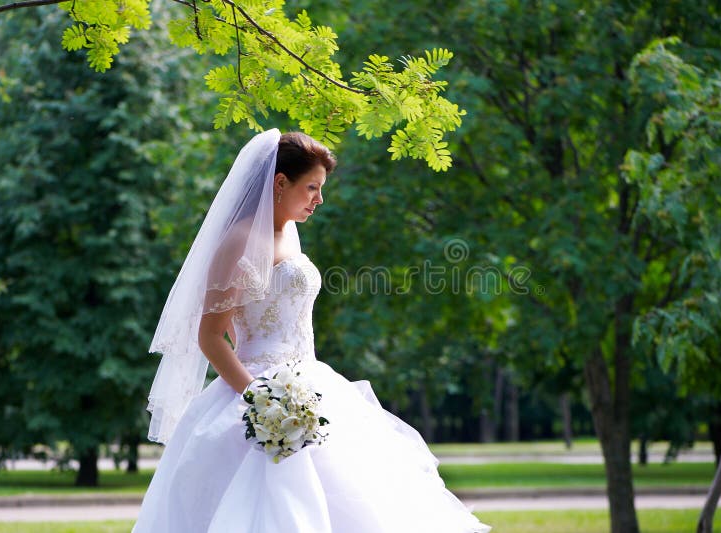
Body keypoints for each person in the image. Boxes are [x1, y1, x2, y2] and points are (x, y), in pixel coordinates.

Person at [132, 129, 491, 533]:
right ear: (280, 183)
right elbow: (211, 337)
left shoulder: (288, 232)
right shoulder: (238, 241)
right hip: (257, 393)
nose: (319, 199)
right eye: (312, 188)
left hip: (312, 385)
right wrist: (261, 401)